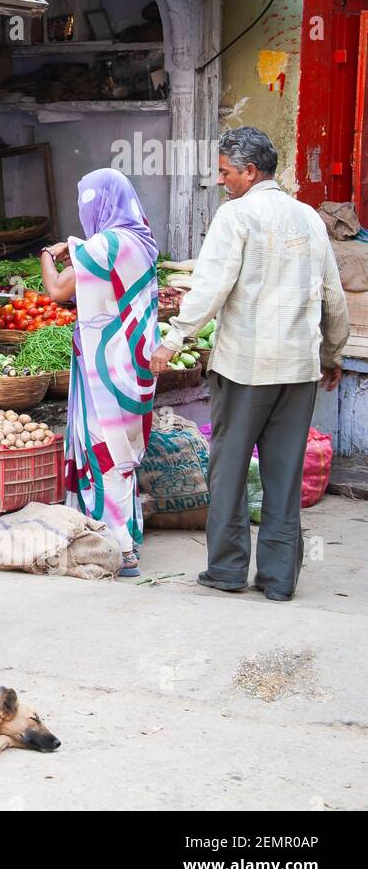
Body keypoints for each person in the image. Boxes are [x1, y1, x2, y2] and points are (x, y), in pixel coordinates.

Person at [151, 127, 348, 602]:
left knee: (230, 471)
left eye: (225, 172)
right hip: (299, 370)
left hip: (245, 369)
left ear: (250, 172)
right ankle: (280, 580)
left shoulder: (236, 216)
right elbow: (333, 297)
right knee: (284, 474)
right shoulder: (308, 218)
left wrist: (174, 339)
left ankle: (227, 570)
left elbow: (211, 287)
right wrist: (331, 354)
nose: (221, 181)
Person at [40, 168, 160, 577]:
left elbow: (57, 291)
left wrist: (48, 255)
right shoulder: (142, 241)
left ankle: (118, 548)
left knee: (104, 451)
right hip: (136, 365)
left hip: (105, 368)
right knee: (123, 452)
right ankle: (128, 534)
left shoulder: (104, 245)